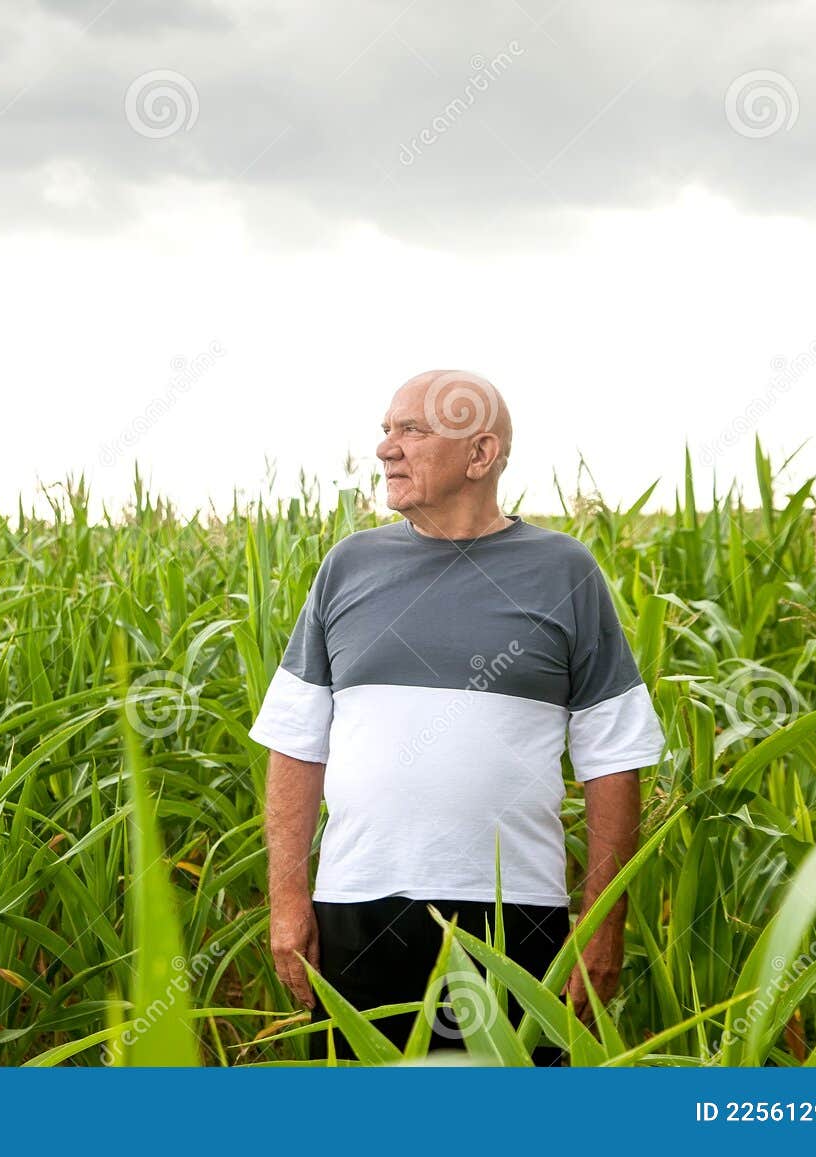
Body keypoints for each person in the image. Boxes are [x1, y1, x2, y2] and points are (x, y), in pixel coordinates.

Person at [248, 369, 667, 1064]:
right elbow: (295, 744)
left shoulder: (565, 571)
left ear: (480, 456)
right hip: (356, 911)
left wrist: (600, 925)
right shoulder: (346, 567)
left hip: (516, 919)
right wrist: (289, 899)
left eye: (411, 430)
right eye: (385, 429)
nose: (385, 448)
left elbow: (613, 756)